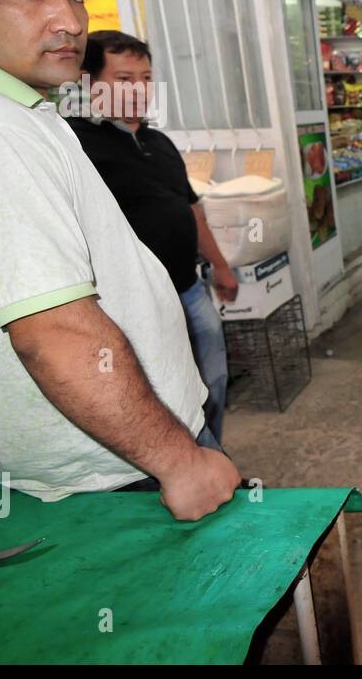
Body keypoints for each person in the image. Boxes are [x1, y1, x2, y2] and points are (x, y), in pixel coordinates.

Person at [0, 0, 240, 518]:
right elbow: (54, 332)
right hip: (120, 465)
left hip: (110, 450)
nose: (68, 20)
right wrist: (178, 461)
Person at [66, 30, 235, 450]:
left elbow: (192, 209)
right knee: (163, 394)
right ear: (88, 81)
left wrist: (221, 265)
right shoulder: (76, 143)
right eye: (124, 79)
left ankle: (211, 456)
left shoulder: (159, 142)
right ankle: (190, 469)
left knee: (212, 381)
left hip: (190, 288)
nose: (139, 89)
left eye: (146, 78)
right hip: (133, 303)